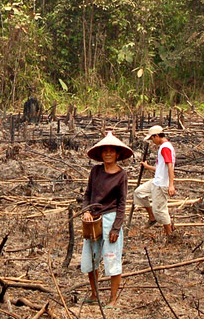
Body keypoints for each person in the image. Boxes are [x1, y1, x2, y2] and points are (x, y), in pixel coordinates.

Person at [81, 132, 132, 308]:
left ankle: (112, 299)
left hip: (110, 219)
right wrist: (86, 211)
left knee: (112, 259)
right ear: (101, 153)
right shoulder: (95, 171)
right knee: (90, 260)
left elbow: (122, 204)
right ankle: (94, 294)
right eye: (105, 151)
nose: (108, 154)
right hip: (93, 220)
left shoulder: (121, 175)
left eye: (112, 151)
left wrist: (116, 228)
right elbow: (87, 194)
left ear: (117, 154)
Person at [133, 125, 176, 239]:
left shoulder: (166, 148)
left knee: (160, 211)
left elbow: (170, 166)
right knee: (139, 193)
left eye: (152, 138)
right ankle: (151, 217)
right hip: (156, 181)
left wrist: (171, 185)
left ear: (156, 136)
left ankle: (170, 236)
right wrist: (148, 167)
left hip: (162, 184)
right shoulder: (163, 147)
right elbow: (161, 168)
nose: (152, 141)